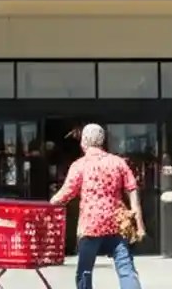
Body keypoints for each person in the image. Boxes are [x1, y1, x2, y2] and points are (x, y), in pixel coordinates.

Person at [51, 123, 145, 289]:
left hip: (90, 225)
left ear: (84, 142)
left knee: (85, 271)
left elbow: (66, 192)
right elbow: (132, 189)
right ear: (102, 141)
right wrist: (139, 223)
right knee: (126, 269)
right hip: (117, 223)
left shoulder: (80, 165)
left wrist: (50, 203)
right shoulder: (118, 163)